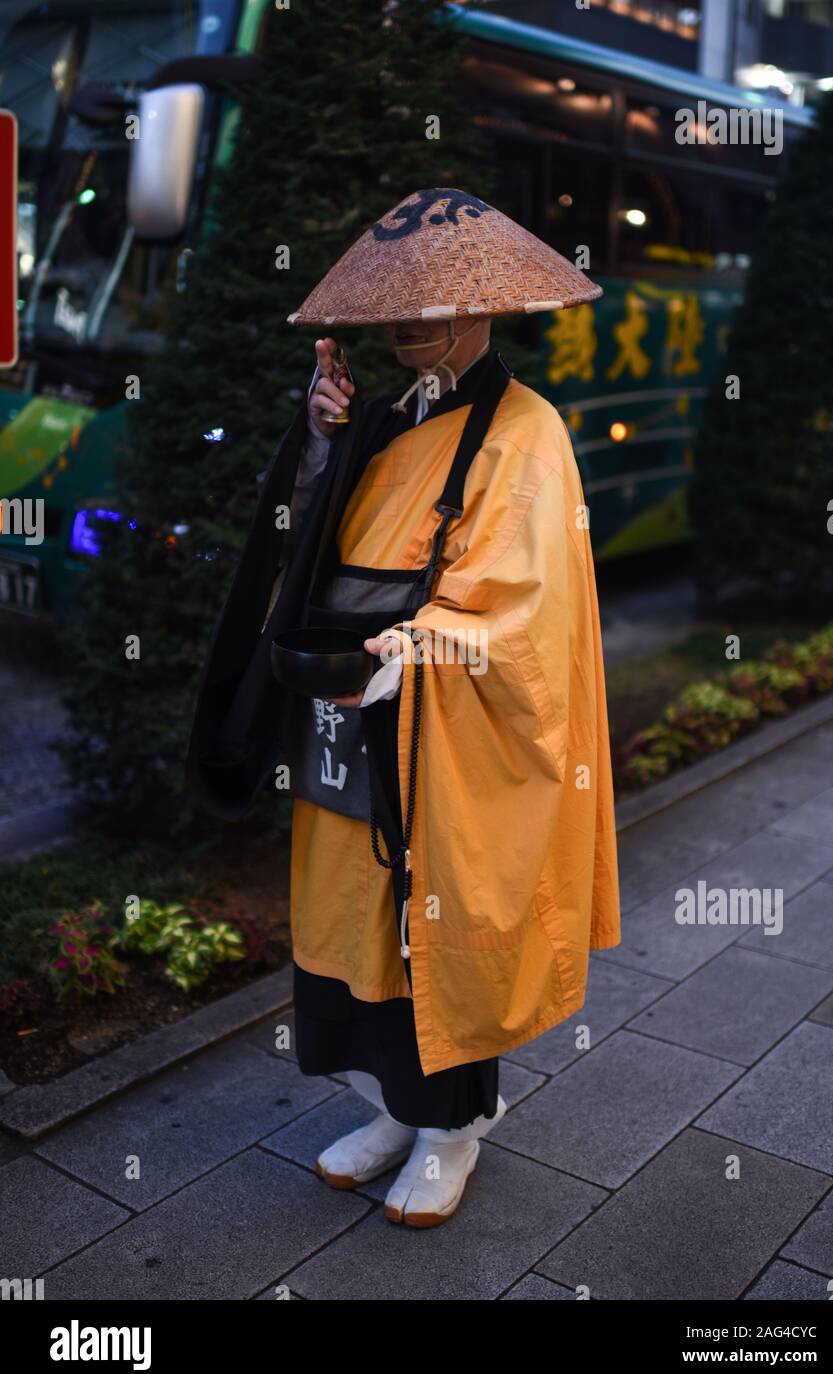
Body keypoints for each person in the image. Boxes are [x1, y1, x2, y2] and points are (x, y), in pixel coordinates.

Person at [187, 187, 621, 1228]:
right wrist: (323, 441)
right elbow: (312, 549)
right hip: (350, 715)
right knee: (354, 916)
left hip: (445, 721)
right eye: (398, 311)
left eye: (434, 308)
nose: (410, 327)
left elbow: (526, 609)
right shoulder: (379, 417)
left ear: (484, 308)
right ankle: (388, 1106)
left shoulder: (529, 430)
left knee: (437, 920)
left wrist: (419, 647)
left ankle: (451, 1131)